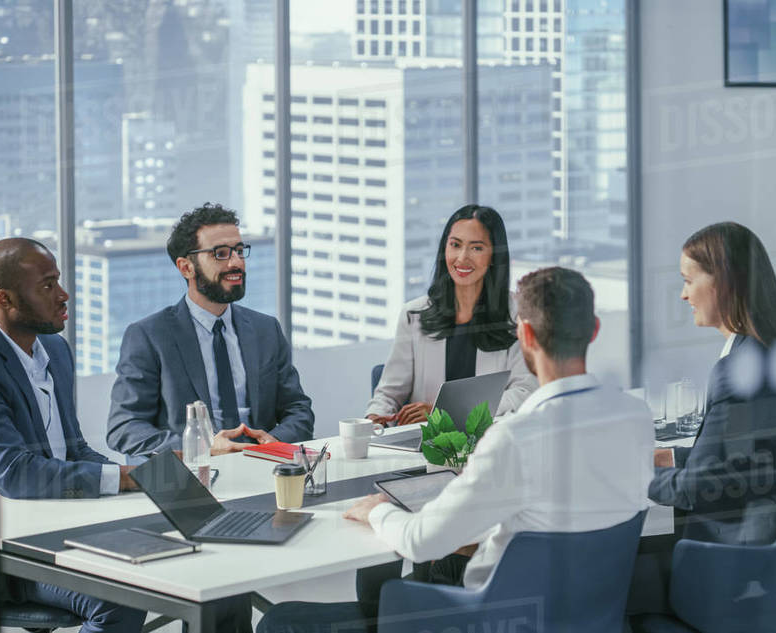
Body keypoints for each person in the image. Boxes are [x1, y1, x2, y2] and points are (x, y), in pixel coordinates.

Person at [257, 267, 655, 633]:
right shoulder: (635, 417)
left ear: (527, 335)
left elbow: (420, 542)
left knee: (282, 620)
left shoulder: (515, 438)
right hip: (585, 617)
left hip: (487, 618)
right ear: (595, 329)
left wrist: (376, 508)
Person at [0, 238, 145, 633]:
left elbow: (74, 448)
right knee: (124, 599)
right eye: (47, 285)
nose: (64, 295)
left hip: (58, 525)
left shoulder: (53, 350)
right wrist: (122, 478)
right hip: (2, 552)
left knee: (179, 560)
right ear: (5, 299)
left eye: (58, 281)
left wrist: (136, 477)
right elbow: (14, 474)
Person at [627, 221, 776, 619]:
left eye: (688, 280)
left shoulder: (738, 370)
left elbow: (697, 490)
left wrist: (636, 472)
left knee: (622, 573)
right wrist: (669, 458)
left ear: (721, 283)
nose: (683, 294)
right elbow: (745, 459)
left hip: (741, 565)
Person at [106, 203, 313, 457]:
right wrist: (203, 448)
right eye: (221, 253)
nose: (236, 262)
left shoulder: (265, 329)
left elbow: (299, 410)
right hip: (191, 477)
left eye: (239, 251)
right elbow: (124, 427)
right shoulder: (149, 336)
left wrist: (272, 442)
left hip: (262, 466)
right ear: (186, 267)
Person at [365, 204, 536, 427]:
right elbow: (387, 394)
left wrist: (446, 413)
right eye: (455, 245)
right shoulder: (413, 314)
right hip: (426, 449)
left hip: (490, 441)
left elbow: (525, 392)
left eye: (476, 248)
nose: (462, 258)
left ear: (494, 254)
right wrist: (373, 422)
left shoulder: (519, 316)